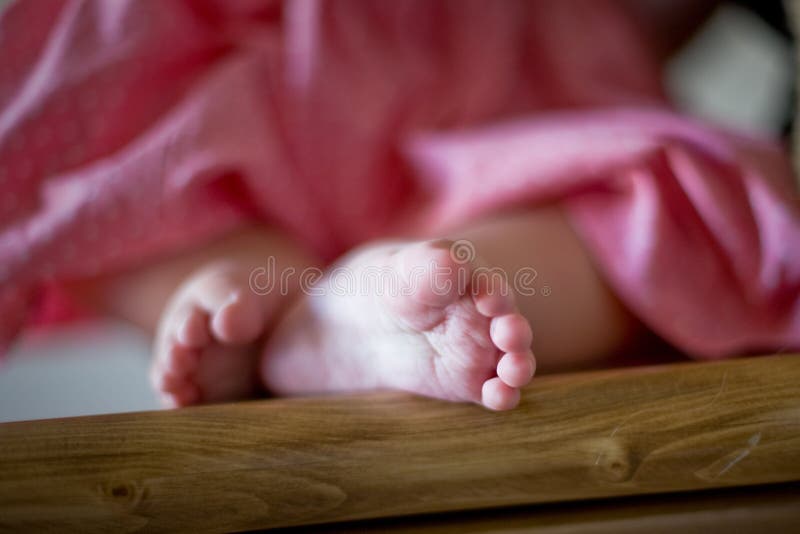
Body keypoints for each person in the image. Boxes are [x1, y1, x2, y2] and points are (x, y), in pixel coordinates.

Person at [0, 0, 797, 410]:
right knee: (651, 209)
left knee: (115, 186)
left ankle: (316, 307)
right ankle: (258, 303)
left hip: (282, 81)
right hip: (492, 75)